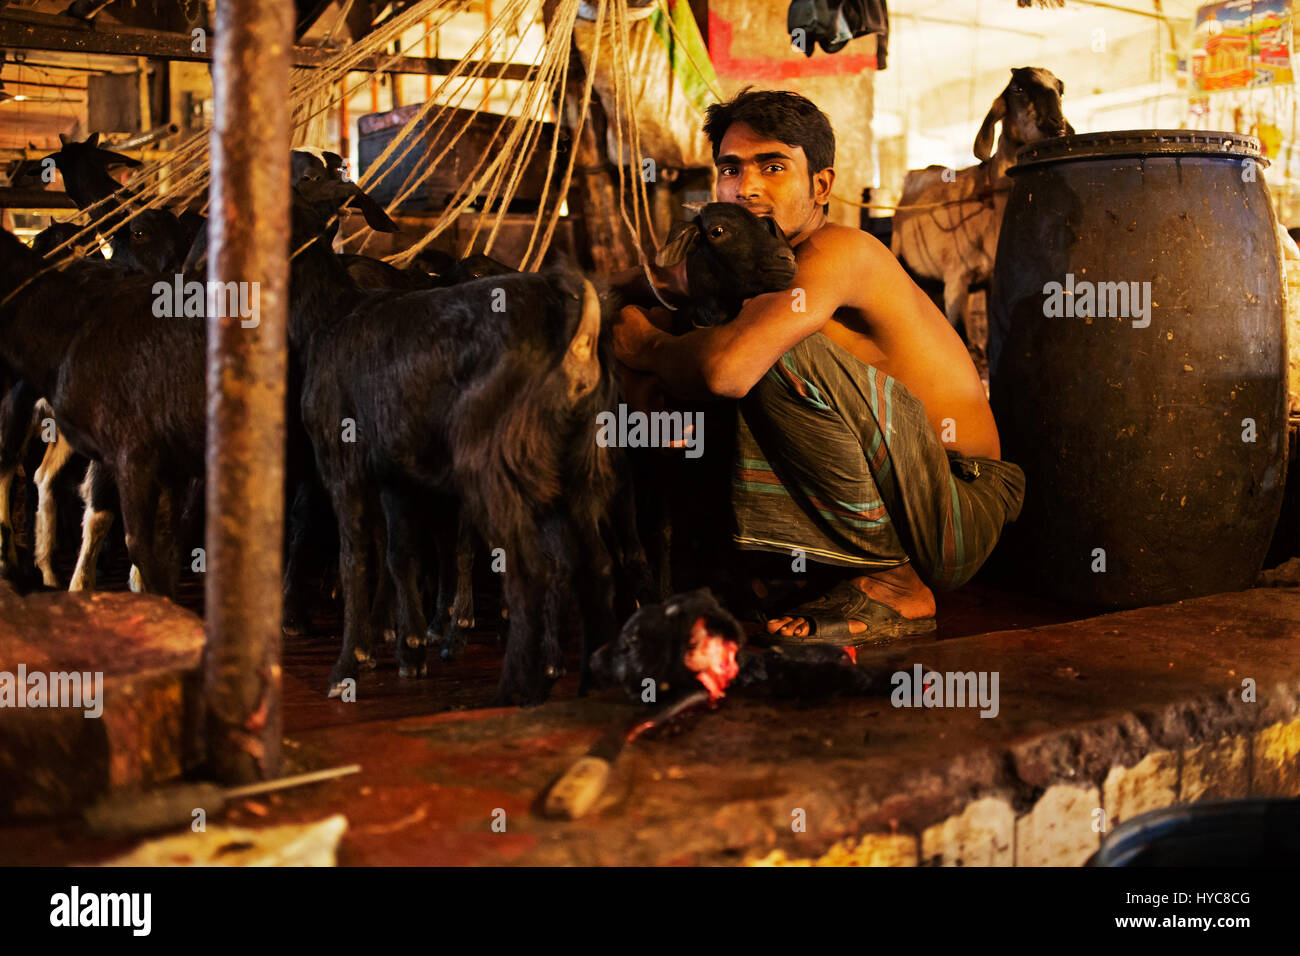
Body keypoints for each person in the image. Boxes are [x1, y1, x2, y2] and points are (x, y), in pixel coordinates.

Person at [613, 87, 1025, 645]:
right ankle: (771, 570)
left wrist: (648, 349)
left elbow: (726, 371)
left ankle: (895, 587)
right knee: (699, 350)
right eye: (730, 170)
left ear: (821, 186)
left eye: (773, 167)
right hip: (904, 491)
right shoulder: (745, 269)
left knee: (759, 351)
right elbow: (661, 313)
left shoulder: (836, 252)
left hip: (958, 502)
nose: (746, 188)